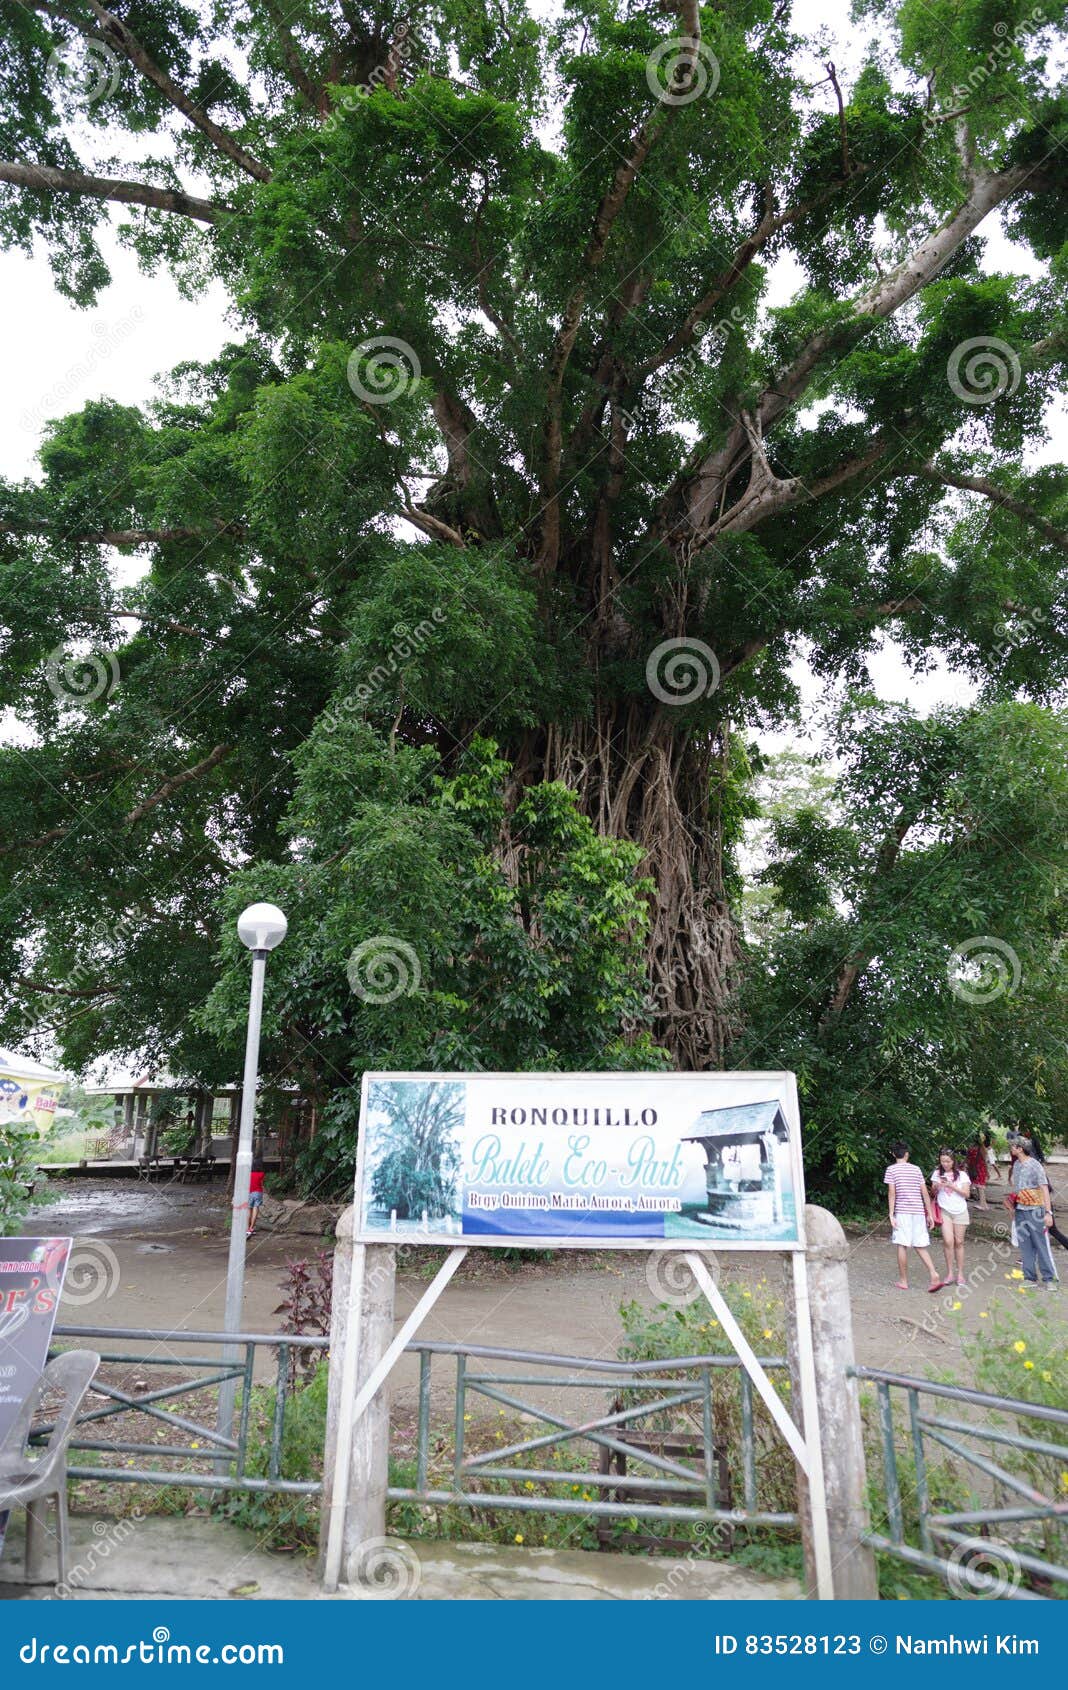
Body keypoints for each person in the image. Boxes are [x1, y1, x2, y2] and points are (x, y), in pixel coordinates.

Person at [884, 1143, 941, 1291]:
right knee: (920, 1244)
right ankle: (934, 1274)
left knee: (902, 1244)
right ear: (907, 1154)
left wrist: (891, 1213)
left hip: (902, 1211)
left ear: (893, 1154)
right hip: (918, 1212)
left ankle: (903, 1281)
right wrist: (930, 1213)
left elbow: (892, 1192)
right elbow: (924, 1193)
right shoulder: (916, 1169)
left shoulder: (891, 1170)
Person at [1006, 1137, 1057, 1288]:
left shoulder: (1035, 1165)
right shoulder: (1016, 1165)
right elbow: (1017, 1189)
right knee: (1025, 1245)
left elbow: (1044, 1189)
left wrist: (1048, 1213)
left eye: (1013, 1146)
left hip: (1035, 1210)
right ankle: (1029, 1277)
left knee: (1040, 1244)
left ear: (1020, 1148)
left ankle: (1048, 1279)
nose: (1011, 1149)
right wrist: (1012, 1208)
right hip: (1020, 1210)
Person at [930, 1148, 971, 1287]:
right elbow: (932, 1191)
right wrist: (937, 1186)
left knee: (959, 1242)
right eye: (942, 1161)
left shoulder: (962, 1175)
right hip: (944, 1210)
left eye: (948, 1161)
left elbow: (967, 1194)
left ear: (953, 1161)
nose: (945, 1164)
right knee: (948, 1241)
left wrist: (951, 1186)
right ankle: (950, 1273)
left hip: (960, 1211)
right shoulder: (937, 1173)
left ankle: (960, 1274)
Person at [965, 1135, 989, 1210]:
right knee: (980, 1186)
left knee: (980, 1187)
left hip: (975, 1168)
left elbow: (968, 1158)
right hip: (981, 1168)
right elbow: (985, 1160)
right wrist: (987, 1171)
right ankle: (984, 1205)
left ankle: (983, 1205)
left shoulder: (972, 1148)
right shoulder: (982, 1148)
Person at [247, 1151, 266, 1238]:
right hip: (258, 1193)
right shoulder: (262, 1174)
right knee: (255, 1209)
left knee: (249, 1210)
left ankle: (247, 1228)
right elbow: (262, 1184)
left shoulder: (249, 1174)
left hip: (249, 1193)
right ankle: (251, 1228)